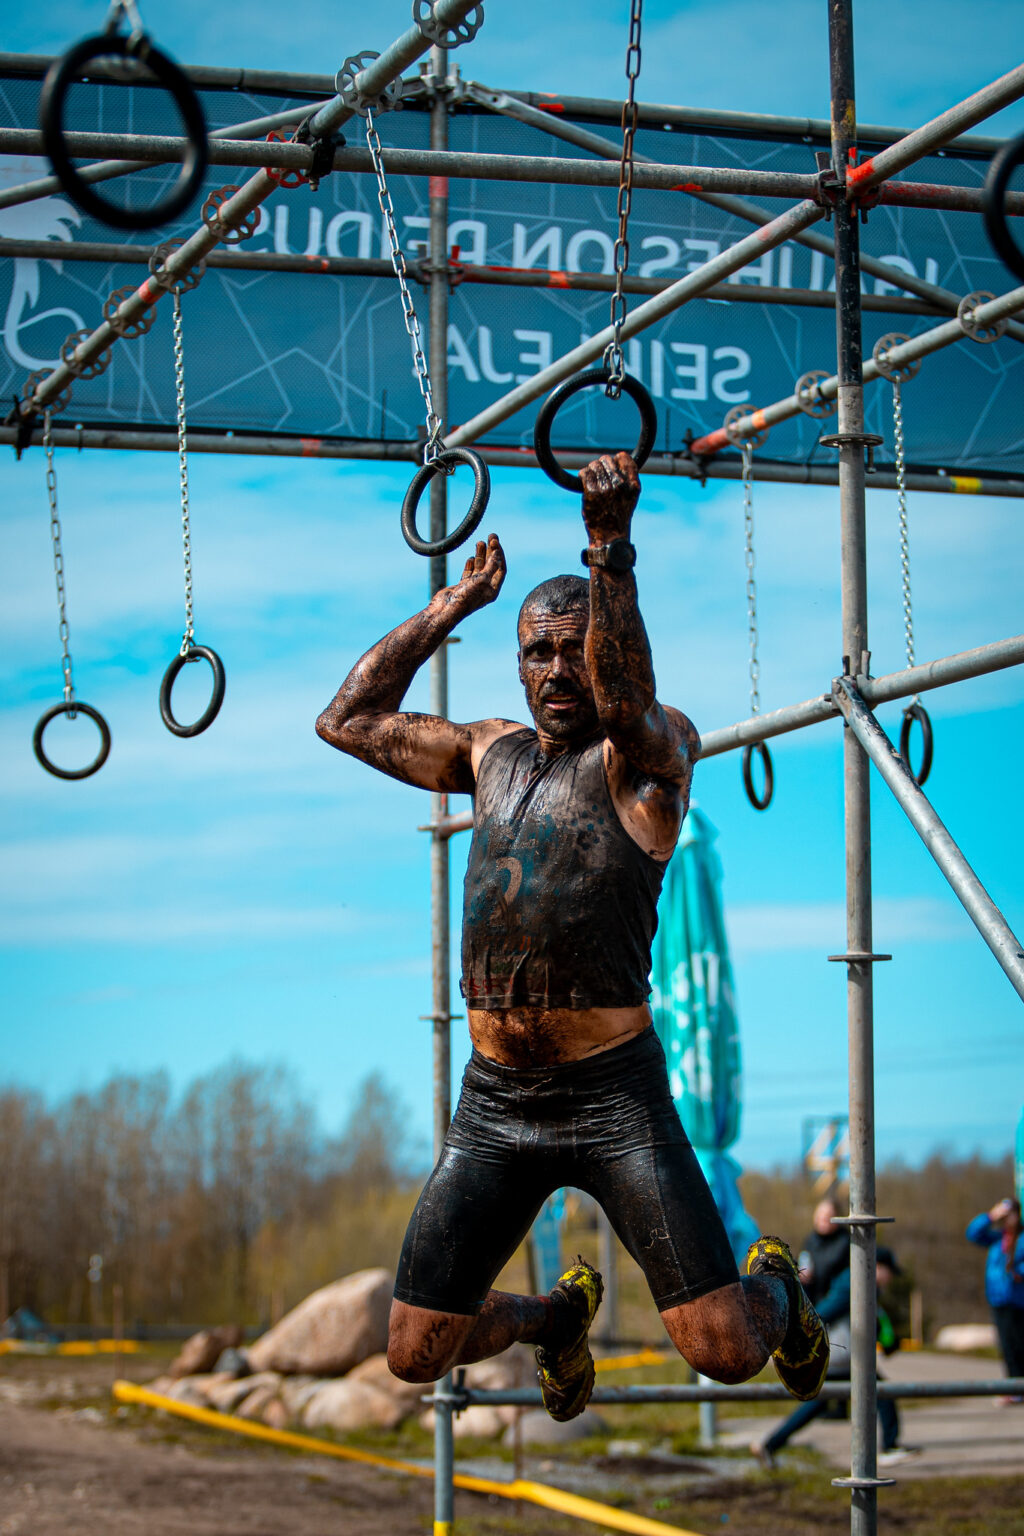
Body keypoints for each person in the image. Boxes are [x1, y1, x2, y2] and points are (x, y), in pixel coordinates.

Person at [316, 452, 828, 1421]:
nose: (556, 671)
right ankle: (556, 1320)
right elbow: (347, 719)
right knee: (415, 1353)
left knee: (722, 1352)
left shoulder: (649, 757)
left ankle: (783, 1295)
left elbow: (630, 703)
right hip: (495, 1105)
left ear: (606, 650)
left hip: (612, 1098)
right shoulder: (488, 753)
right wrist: (452, 606)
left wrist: (608, 553)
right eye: (536, 652)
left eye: (573, 650)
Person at [752, 1246, 915, 1468]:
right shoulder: (855, 1285)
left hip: (840, 1356)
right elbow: (824, 1312)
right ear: (877, 1267)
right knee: (881, 1392)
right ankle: (889, 1446)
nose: (890, 1279)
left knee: (819, 1402)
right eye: (889, 1272)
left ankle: (770, 1444)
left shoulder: (857, 1282)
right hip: (841, 1357)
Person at [966, 1197, 1024, 1402]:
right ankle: (1014, 1388)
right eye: (1005, 1215)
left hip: (1018, 1299)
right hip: (998, 1299)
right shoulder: (997, 1239)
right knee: (1007, 1346)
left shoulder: (1022, 1239)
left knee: (1019, 1344)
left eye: (1012, 1214)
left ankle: (1018, 1388)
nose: (1009, 1219)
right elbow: (972, 1233)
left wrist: (1020, 1273)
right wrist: (991, 1215)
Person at [798, 1196, 850, 1306]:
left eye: (827, 1217)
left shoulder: (845, 1240)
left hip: (837, 1303)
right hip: (813, 1299)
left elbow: (830, 1267)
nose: (822, 1220)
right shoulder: (810, 1240)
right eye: (820, 1216)